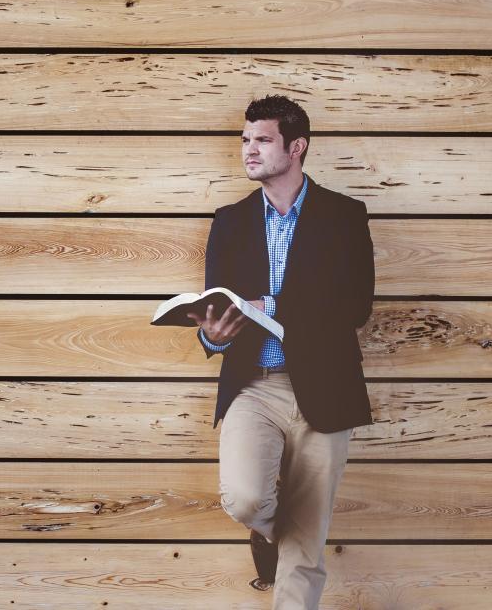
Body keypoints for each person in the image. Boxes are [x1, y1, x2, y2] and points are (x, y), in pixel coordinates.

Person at [186, 94, 375, 609]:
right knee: (246, 499)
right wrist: (213, 336)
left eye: (263, 140)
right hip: (254, 385)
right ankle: (270, 533)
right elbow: (217, 307)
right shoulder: (229, 220)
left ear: (297, 147)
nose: (249, 150)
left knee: (307, 549)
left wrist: (270, 304)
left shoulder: (345, 215)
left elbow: (356, 306)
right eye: (245, 139)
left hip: (327, 385)